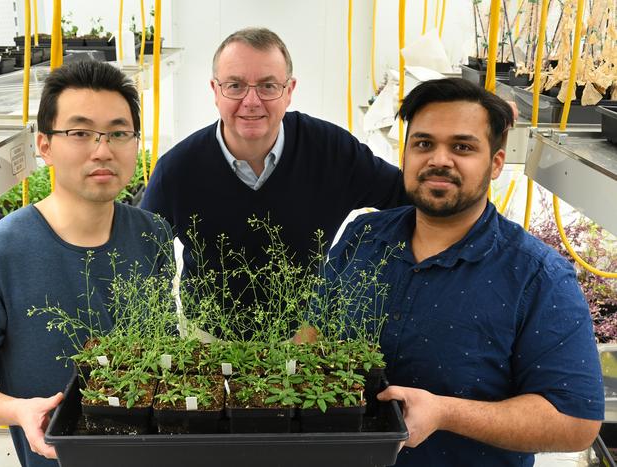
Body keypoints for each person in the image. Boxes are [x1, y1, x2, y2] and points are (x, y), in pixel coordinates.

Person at [322, 78, 604, 466]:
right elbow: (312, 336)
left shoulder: (537, 276)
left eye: (462, 147)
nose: (439, 159)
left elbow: (575, 420)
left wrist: (445, 412)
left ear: (496, 164)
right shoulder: (363, 237)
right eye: (423, 144)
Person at [0, 60, 172, 467]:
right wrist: (18, 411)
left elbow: (165, 341)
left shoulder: (153, 234)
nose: (103, 150)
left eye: (119, 133)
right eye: (80, 133)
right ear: (44, 145)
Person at [140, 27, 406, 317]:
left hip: (311, 338)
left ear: (289, 91)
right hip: (207, 345)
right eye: (235, 85)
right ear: (216, 91)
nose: (251, 101)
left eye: (268, 86)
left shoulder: (332, 151)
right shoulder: (177, 170)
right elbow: (139, 260)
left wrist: (363, 263)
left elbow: (406, 197)